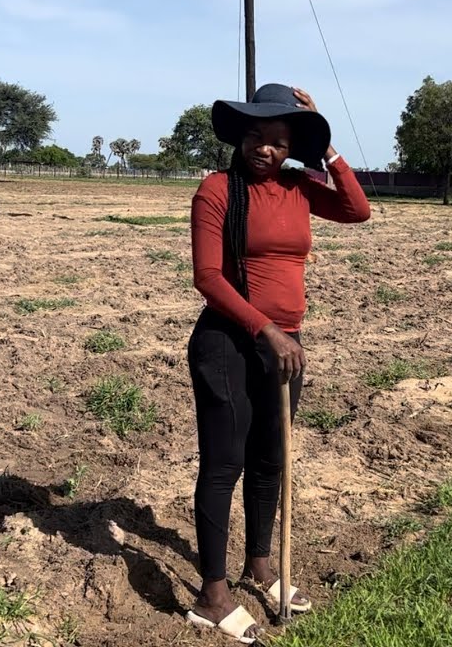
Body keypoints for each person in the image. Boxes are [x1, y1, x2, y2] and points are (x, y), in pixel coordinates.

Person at [185, 83, 371, 643]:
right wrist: (265, 330)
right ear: (240, 139)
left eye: (278, 140)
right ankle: (212, 595)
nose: (264, 149)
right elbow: (208, 277)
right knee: (225, 464)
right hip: (229, 342)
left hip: (284, 343)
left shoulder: (298, 186)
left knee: (271, 460)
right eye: (254, 137)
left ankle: (259, 566)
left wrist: (328, 144)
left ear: (291, 147)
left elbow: (357, 210)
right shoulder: (217, 190)